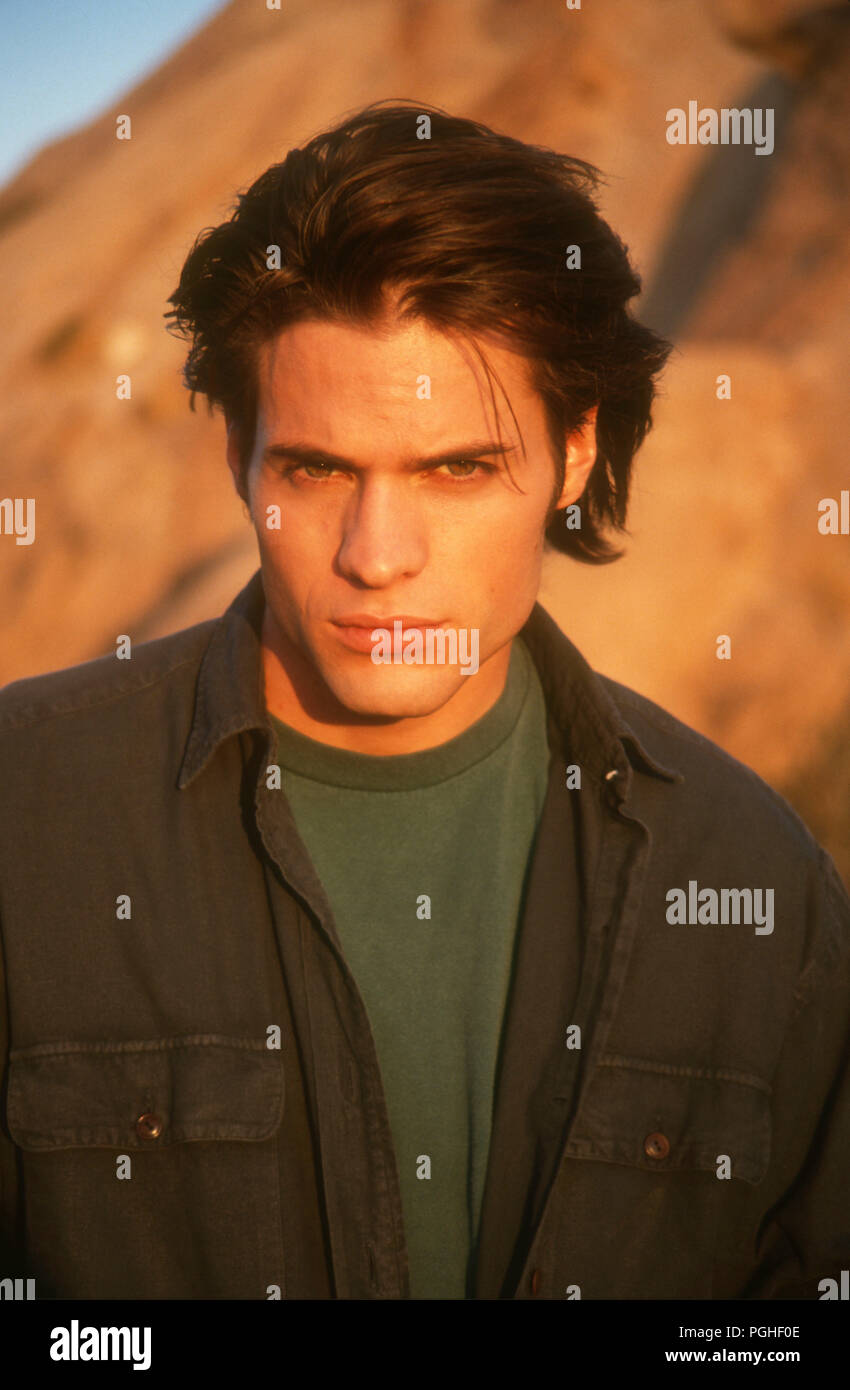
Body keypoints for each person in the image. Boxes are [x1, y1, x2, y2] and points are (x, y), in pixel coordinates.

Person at [0, 99, 848, 1302]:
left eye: (456, 469)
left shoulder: (751, 875)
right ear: (239, 456)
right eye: (316, 468)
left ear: (571, 455)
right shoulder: (24, 819)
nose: (377, 553)